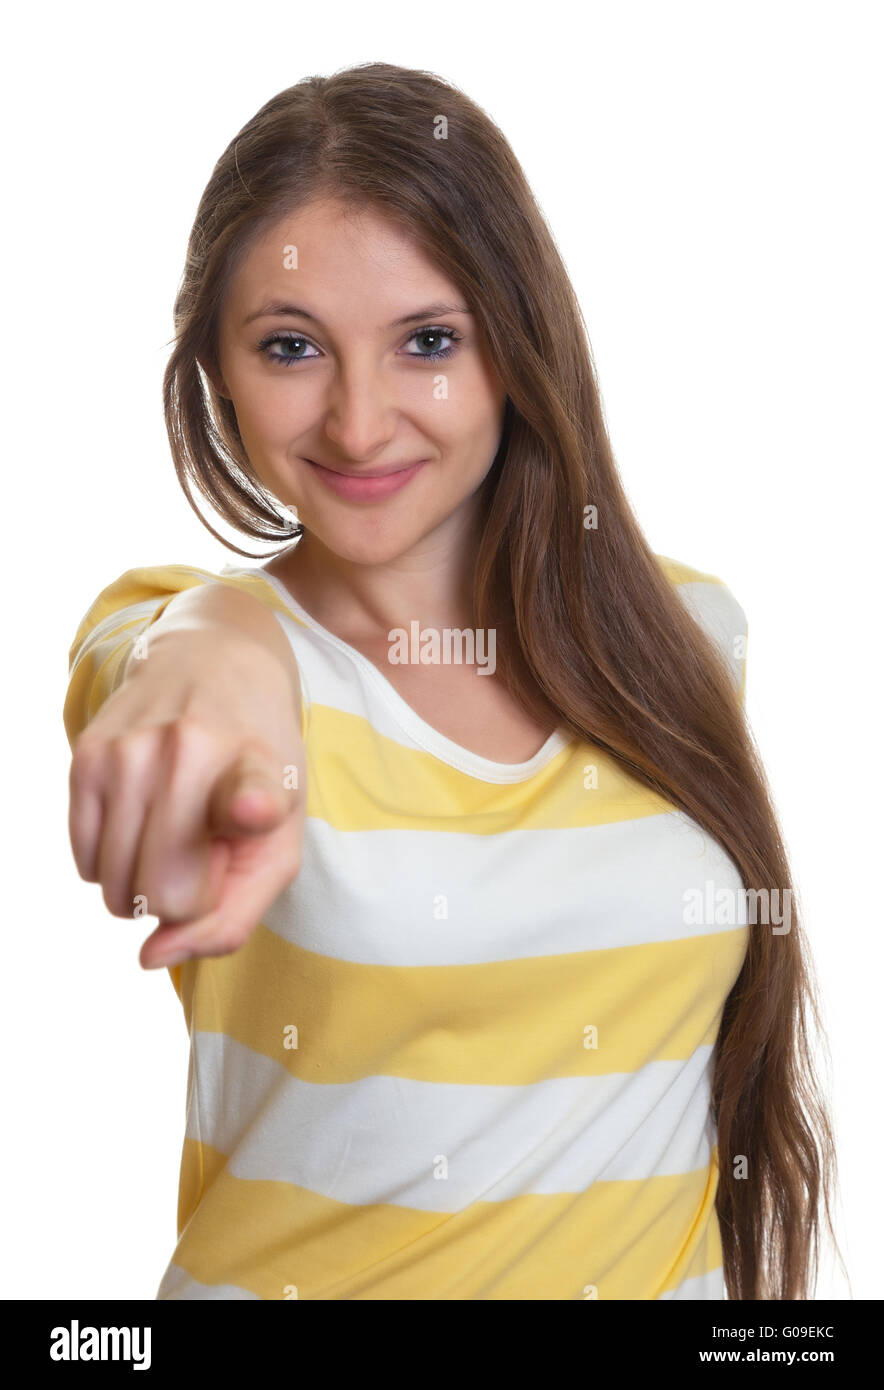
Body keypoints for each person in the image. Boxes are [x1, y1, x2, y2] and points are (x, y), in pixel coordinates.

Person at [64, 62, 840, 1300]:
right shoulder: (190, 643)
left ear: (515, 345)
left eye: (427, 341)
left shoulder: (686, 633)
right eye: (290, 348)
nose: (360, 423)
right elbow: (173, 665)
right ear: (215, 372)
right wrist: (213, 653)